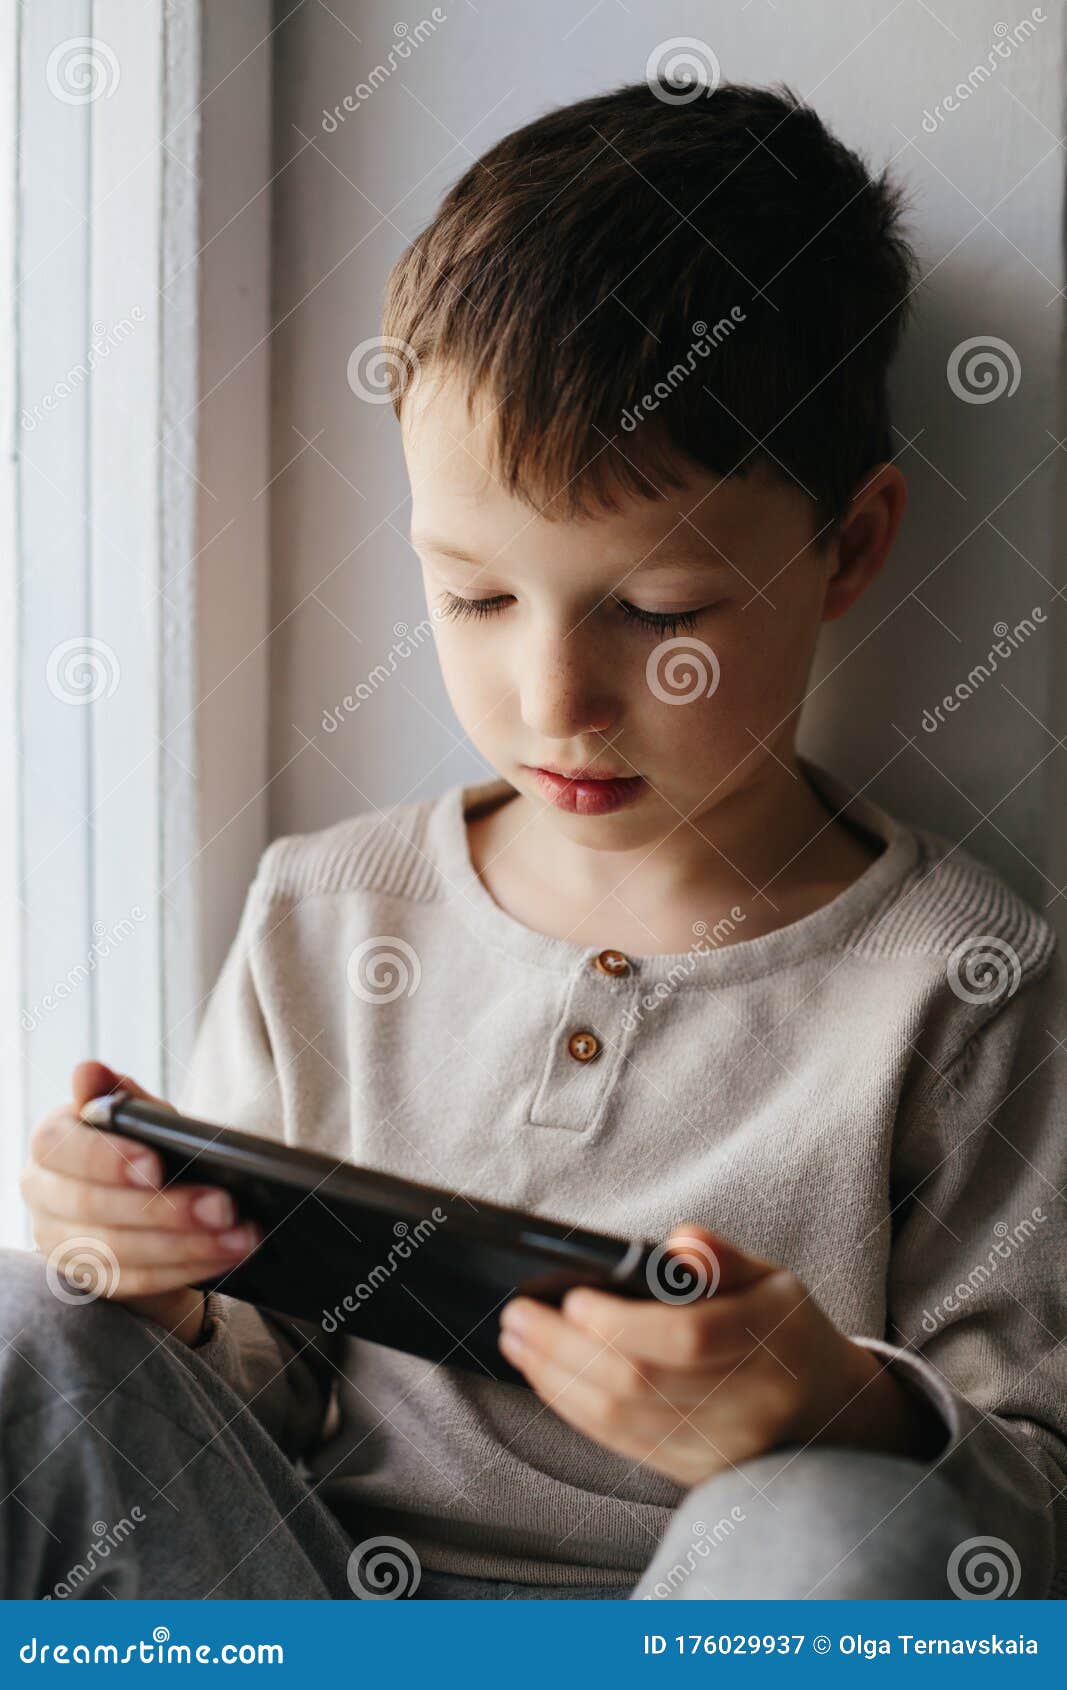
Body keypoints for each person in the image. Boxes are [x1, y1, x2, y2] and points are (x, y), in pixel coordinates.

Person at [3, 78, 1064, 1603]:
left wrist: (841, 1408)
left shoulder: (961, 986)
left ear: (853, 544)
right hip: (306, 1612)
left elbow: (1028, 1517)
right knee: (29, 1327)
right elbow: (261, 1395)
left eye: (659, 613)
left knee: (843, 1529)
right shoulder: (326, 911)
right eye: (478, 598)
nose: (554, 698)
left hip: (711, 1625)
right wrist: (159, 1296)